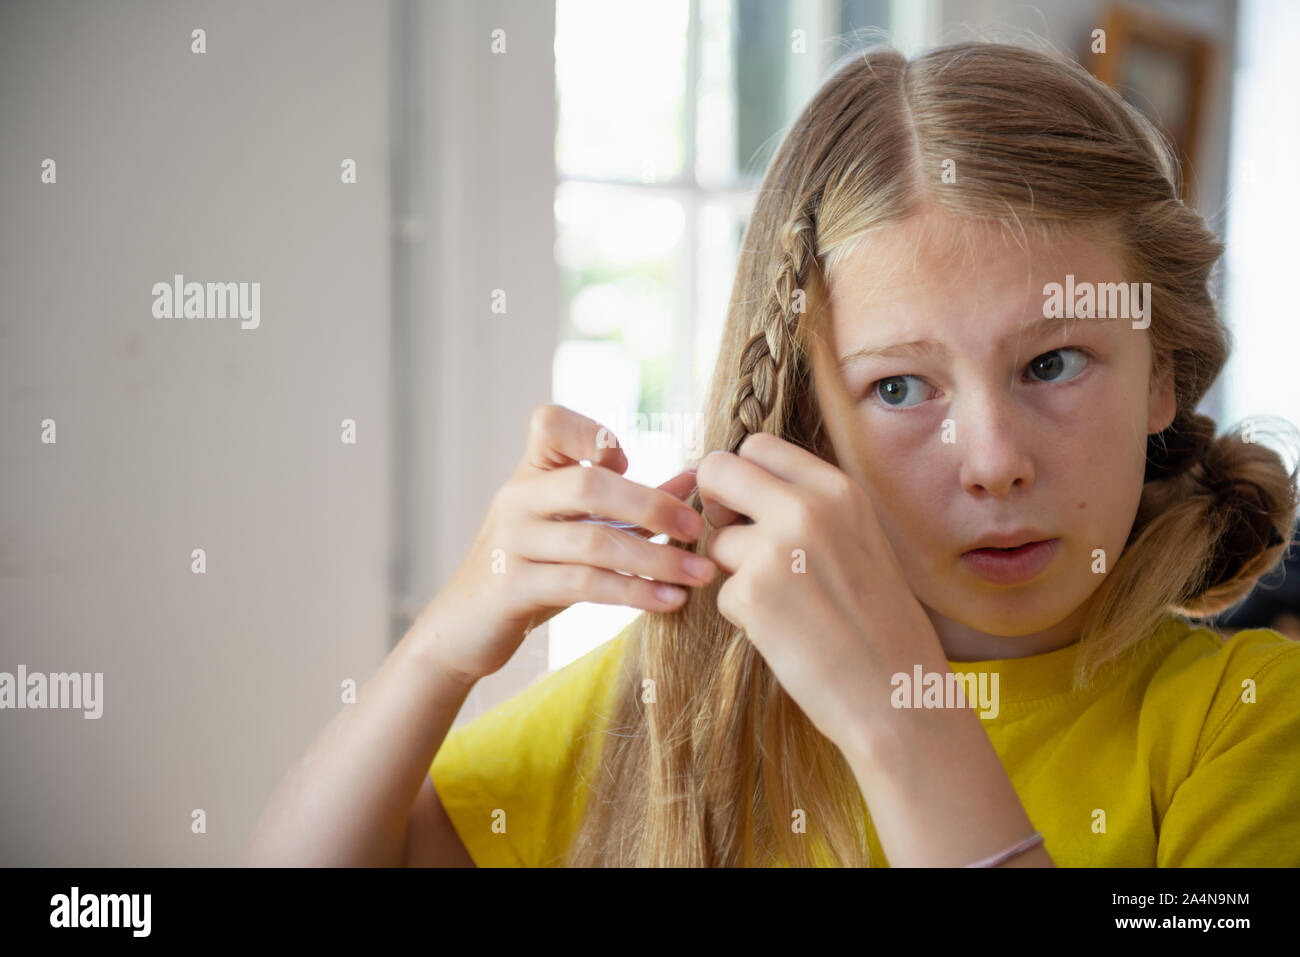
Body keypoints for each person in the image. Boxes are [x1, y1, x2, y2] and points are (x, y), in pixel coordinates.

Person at [242, 38, 1300, 868]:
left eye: (1054, 363)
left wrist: (897, 718)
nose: (992, 461)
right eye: (896, 387)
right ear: (805, 426)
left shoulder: (1249, 721)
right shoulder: (685, 703)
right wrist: (440, 649)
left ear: (1162, 368)